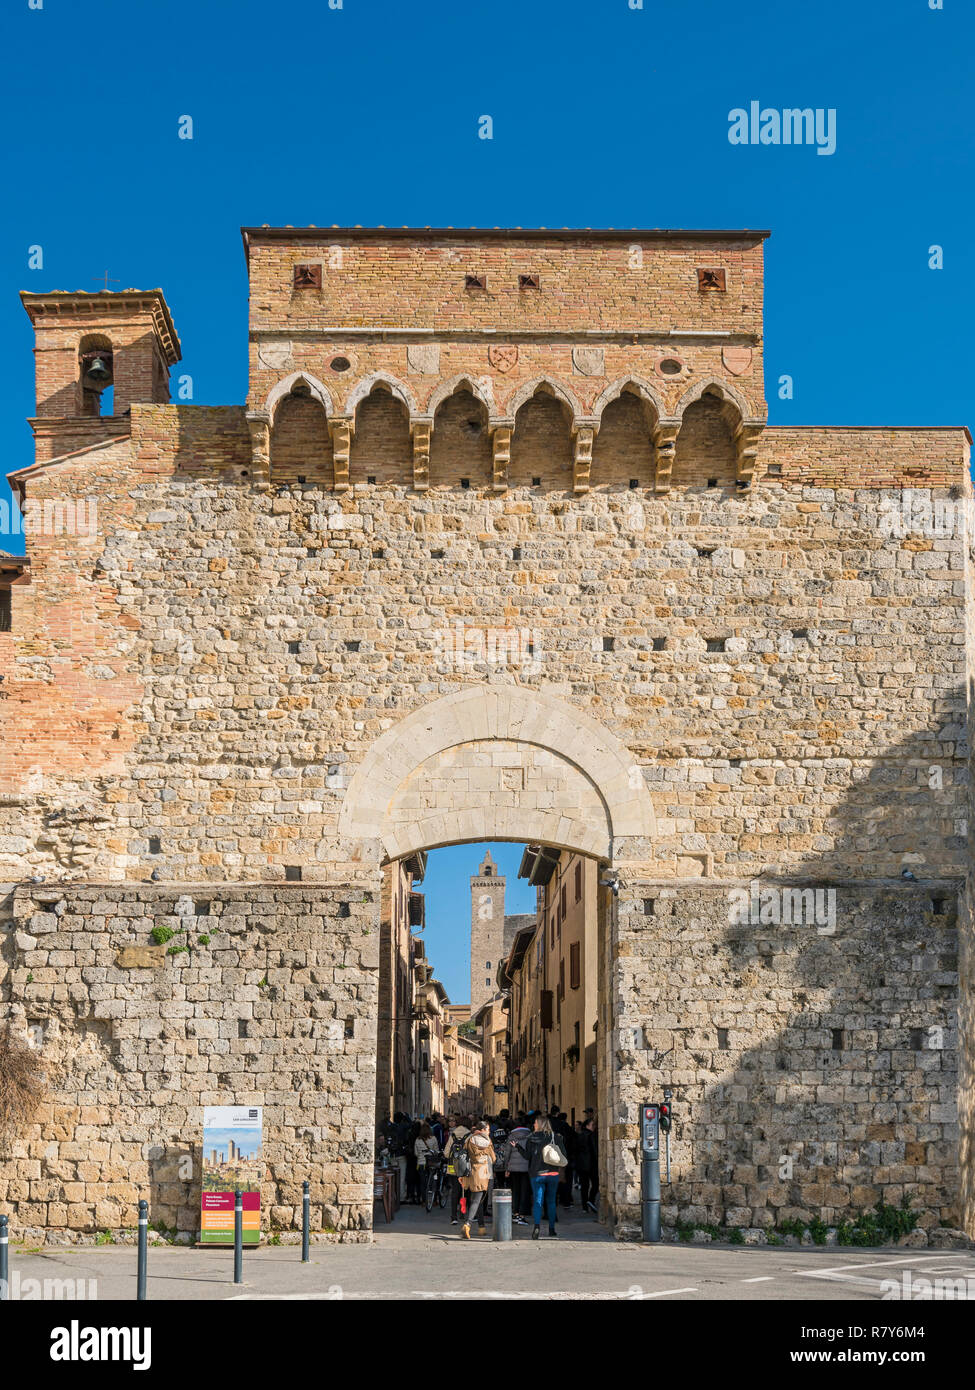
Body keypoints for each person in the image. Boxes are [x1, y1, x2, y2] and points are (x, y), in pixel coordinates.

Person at [518, 1113, 566, 1239]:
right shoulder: (555, 1137)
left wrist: (517, 1147)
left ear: (539, 1124)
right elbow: (563, 1155)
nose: (533, 1124)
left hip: (537, 1174)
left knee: (538, 1201)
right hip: (553, 1173)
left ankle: (537, 1227)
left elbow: (527, 1156)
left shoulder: (531, 1138)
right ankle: (551, 1229)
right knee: (551, 1201)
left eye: (535, 1122)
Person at [460, 1119, 496, 1239]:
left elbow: (463, 1155)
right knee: (477, 1200)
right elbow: (494, 1158)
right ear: (483, 1130)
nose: (489, 1132)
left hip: (471, 1172)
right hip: (483, 1173)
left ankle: (481, 1227)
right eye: (488, 1129)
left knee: (477, 1199)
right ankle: (467, 1224)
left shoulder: (470, 1139)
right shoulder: (488, 1141)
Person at [502, 1116, 532, 1224]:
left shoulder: (511, 1136)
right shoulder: (530, 1136)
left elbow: (507, 1153)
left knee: (515, 1191)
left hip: (513, 1168)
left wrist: (506, 1168)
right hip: (526, 1168)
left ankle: (515, 1213)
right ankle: (522, 1215)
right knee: (524, 1192)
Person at [444, 1116, 472, 1225]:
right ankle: (463, 1212)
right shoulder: (470, 1135)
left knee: (455, 1191)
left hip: (453, 1168)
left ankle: (453, 1217)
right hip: (466, 1167)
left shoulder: (453, 1134)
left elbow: (446, 1153)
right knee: (466, 1191)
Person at [575, 1118, 598, 1213]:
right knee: (596, 1184)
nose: (594, 1127)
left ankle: (585, 1207)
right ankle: (590, 1200)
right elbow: (594, 1150)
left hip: (581, 1165)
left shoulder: (579, 1136)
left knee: (584, 1186)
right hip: (591, 1164)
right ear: (587, 1126)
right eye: (592, 1125)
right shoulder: (591, 1135)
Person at [414, 1121, 440, 1201]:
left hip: (421, 1163)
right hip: (431, 1163)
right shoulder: (433, 1138)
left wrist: (421, 1156)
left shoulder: (417, 1140)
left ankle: (424, 1201)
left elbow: (416, 1153)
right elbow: (436, 1151)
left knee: (423, 1183)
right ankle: (434, 1200)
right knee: (433, 1182)